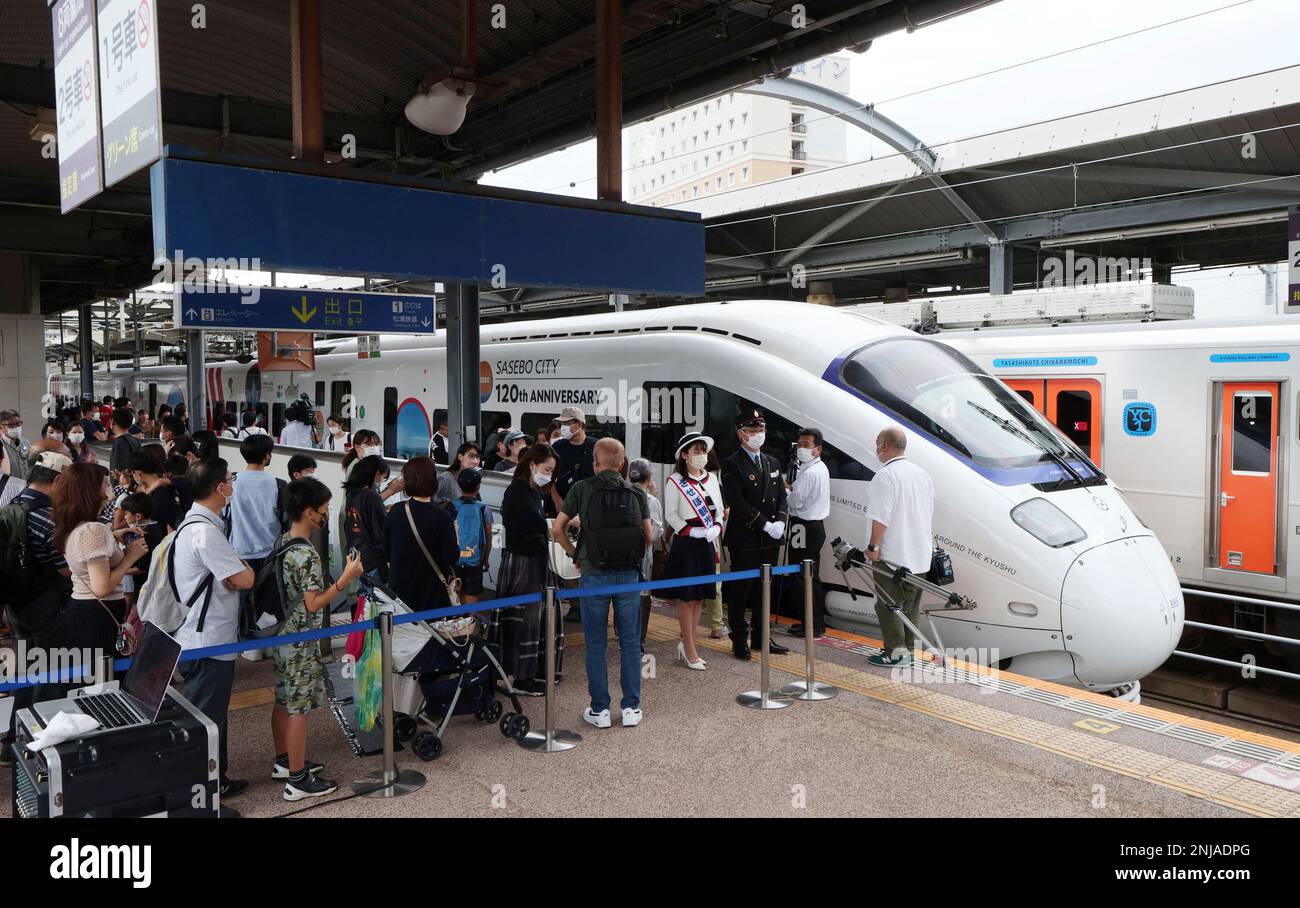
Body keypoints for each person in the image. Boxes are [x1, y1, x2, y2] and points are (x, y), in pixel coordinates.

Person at [171, 459, 255, 811]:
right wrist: (242, 568)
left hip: (204, 636)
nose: (232, 484)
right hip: (207, 641)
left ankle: (216, 780)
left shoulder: (196, 523)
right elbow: (244, 579)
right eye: (230, 479)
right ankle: (200, 798)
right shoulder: (206, 532)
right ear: (219, 488)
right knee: (206, 719)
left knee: (213, 715)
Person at [273, 477, 363, 801]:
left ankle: (284, 761)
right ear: (310, 513)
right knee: (298, 709)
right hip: (301, 638)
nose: (326, 515)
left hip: (283, 635)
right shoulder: (307, 554)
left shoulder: (284, 540)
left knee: (283, 699)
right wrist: (345, 580)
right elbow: (313, 603)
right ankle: (297, 780)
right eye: (324, 510)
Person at [552, 438, 652, 729]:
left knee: (595, 642)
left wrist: (575, 555)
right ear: (623, 464)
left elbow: (558, 528)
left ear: (595, 462)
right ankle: (631, 708)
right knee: (630, 641)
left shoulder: (581, 489)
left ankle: (600, 710)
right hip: (628, 574)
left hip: (594, 573)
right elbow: (648, 536)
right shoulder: (635, 492)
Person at [52, 462, 150, 664]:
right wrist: (131, 555)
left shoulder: (76, 525)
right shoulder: (93, 530)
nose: (109, 487)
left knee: (92, 681)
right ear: (91, 491)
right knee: (102, 683)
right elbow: (101, 587)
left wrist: (113, 536)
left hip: (85, 612)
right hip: (96, 615)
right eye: (104, 483)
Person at [721, 409, 790, 661]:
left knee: (765, 588)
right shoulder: (731, 463)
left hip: (770, 537)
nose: (758, 435)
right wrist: (763, 524)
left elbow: (782, 496)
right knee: (741, 590)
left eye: (760, 430)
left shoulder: (772, 462)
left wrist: (780, 522)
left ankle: (762, 636)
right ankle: (739, 638)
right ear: (741, 435)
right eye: (752, 431)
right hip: (746, 537)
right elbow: (736, 502)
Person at [865, 426, 936, 667]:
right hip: (920, 555)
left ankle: (895, 653)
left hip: (893, 556)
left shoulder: (885, 476)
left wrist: (873, 547)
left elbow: (880, 518)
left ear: (884, 446)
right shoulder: (922, 474)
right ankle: (909, 652)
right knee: (911, 607)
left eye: (877, 443)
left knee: (888, 605)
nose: (876, 449)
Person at [495, 444, 558, 694]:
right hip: (523, 562)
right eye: (546, 469)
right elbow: (532, 525)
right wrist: (550, 526)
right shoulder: (517, 492)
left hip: (534, 561)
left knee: (535, 619)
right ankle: (521, 677)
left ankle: (531, 672)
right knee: (525, 621)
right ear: (532, 465)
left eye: (552, 471)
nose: (550, 475)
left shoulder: (534, 491)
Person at [662, 433, 725, 669]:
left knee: (699, 597)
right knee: (687, 597)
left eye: (703, 451)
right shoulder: (675, 481)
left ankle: (688, 644)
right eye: (695, 451)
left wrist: (717, 527)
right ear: (684, 455)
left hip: (708, 541)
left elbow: (718, 509)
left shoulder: (711, 479)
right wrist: (692, 532)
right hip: (687, 542)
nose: (700, 455)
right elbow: (671, 515)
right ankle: (689, 648)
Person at [383, 457, 459, 611]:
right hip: (433, 597)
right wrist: (456, 533)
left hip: (400, 596)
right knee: (432, 635)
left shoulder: (396, 511)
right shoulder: (443, 517)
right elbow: (451, 557)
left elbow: (387, 554)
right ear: (433, 480)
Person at [228, 435, 282, 616]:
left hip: (240, 554)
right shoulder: (277, 484)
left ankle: (242, 642)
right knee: (268, 610)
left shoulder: (232, 482)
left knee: (239, 609)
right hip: (271, 555)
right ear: (267, 455)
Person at [787, 427, 831, 637]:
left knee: (801, 576)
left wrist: (786, 491)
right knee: (811, 576)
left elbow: (796, 501)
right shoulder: (819, 468)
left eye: (807, 445)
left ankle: (811, 625)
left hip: (803, 527)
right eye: (800, 444)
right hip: (814, 527)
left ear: (818, 449)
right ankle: (813, 622)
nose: (801, 448)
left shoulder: (810, 472)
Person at [628, 458, 664, 654]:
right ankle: (639, 639)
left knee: (623, 594)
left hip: (622, 555)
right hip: (643, 556)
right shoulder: (651, 500)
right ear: (649, 479)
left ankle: (622, 635)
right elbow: (656, 532)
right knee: (643, 597)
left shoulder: (622, 493)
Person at [342, 454, 391, 581]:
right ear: (376, 474)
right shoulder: (371, 496)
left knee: (365, 597)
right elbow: (380, 530)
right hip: (373, 559)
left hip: (357, 555)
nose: (381, 481)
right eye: (382, 477)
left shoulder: (352, 493)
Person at [451, 468, 493, 604]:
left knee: (455, 604)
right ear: (478, 486)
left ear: (458, 484)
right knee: (470, 611)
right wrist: (485, 559)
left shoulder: (451, 507)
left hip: (454, 563)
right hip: (474, 563)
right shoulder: (483, 508)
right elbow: (488, 538)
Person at [549, 406, 596, 514]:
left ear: (579, 425)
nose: (562, 428)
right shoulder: (557, 447)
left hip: (591, 510)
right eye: (562, 424)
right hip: (562, 509)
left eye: (566, 424)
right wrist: (557, 501)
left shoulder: (596, 446)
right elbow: (549, 477)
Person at [107, 407, 141, 473]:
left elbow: (117, 469)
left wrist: (116, 482)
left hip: (123, 482)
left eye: (110, 420)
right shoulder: (134, 440)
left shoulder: (120, 442)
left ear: (114, 422)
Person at [1, 410, 30, 480]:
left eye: (18, 424)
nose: (16, 427)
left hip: (25, 485)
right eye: (11, 425)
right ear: (1, 427)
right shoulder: (1, 445)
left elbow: (30, 464)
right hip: (8, 487)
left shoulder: (25, 442)